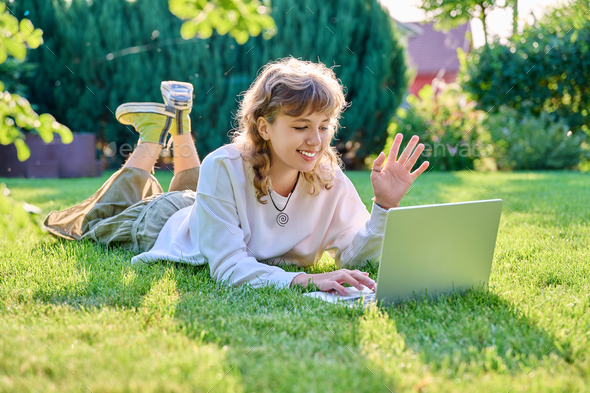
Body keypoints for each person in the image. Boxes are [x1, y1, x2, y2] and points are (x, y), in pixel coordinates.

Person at [44, 57, 429, 296]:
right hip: (164, 222)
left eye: (325, 126)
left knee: (200, 184)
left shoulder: (327, 177)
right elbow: (228, 266)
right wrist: (305, 281)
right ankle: (152, 134)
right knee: (90, 224)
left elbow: (355, 254)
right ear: (264, 127)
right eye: (300, 127)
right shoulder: (225, 166)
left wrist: (384, 206)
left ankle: (179, 121)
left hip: (207, 209)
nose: (316, 140)